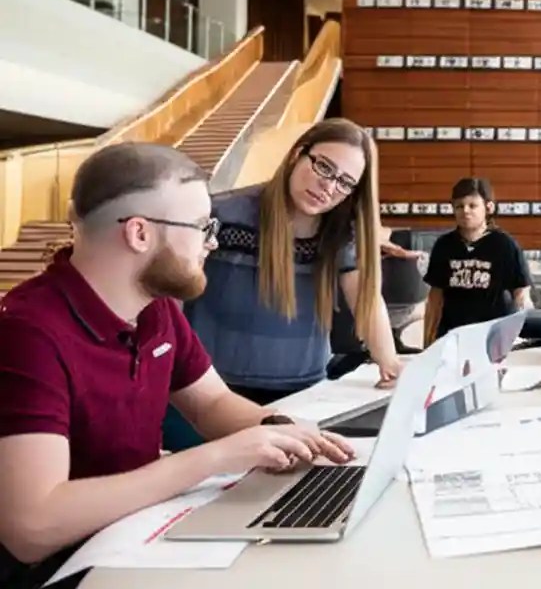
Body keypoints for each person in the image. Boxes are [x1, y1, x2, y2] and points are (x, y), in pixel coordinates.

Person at [0, 143, 353, 588]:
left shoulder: (155, 308)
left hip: (130, 534)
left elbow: (211, 404)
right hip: (65, 569)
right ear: (140, 234)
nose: (213, 241)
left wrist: (284, 430)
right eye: (203, 226)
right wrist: (215, 458)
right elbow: (31, 528)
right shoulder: (27, 333)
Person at [182, 118, 402, 407]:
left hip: (303, 392)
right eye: (323, 167)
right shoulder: (222, 214)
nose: (328, 186)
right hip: (212, 392)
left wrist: (390, 362)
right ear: (298, 154)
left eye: (345, 182)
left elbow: (367, 300)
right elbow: (173, 295)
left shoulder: (340, 235)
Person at [422, 177, 533, 345]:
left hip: (494, 336)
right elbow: (435, 299)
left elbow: (521, 295)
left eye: (472, 205)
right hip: (453, 335)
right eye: (459, 206)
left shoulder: (505, 245)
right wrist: (428, 341)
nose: (465, 211)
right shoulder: (444, 245)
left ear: (488, 207)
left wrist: (519, 334)